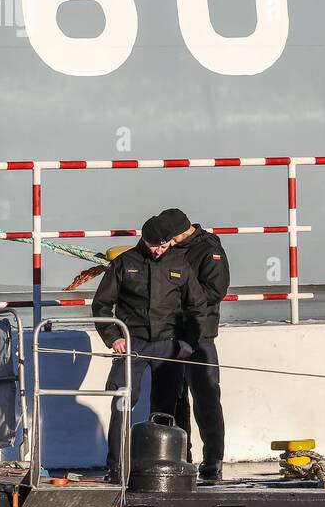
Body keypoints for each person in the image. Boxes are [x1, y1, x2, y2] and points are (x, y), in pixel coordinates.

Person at [91, 215, 210, 481]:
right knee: (123, 402)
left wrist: (188, 343)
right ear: (144, 240)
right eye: (154, 245)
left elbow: (197, 307)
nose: (159, 250)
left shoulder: (180, 264)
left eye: (164, 245)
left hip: (169, 345)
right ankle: (116, 467)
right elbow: (101, 305)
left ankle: (163, 467)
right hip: (131, 344)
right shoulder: (124, 263)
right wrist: (113, 337)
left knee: (166, 407)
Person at [151, 207, 230, 484]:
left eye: (169, 239)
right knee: (173, 398)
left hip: (199, 334)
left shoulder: (209, 250)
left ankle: (213, 460)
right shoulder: (173, 249)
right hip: (169, 332)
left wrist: (177, 296)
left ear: (181, 233)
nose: (167, 244)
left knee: (206, 396)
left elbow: (215, 291)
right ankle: (179, 457)